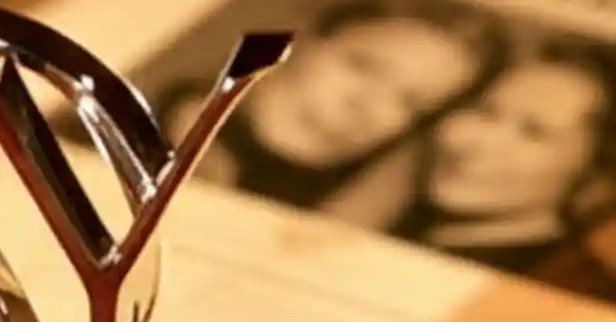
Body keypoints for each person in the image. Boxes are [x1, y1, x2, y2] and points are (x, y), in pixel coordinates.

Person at [156, 0, 507, 218]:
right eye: (364, 66)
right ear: (306, 39)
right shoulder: (156, 118)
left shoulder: (375, 200)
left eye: (410, 101)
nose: (370, 104)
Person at [395, 42, 616, 282]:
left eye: (534, 132)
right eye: (484, 111)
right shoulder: (403, 223)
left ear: (594, 170)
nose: (477, 142)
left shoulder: (556, 283)